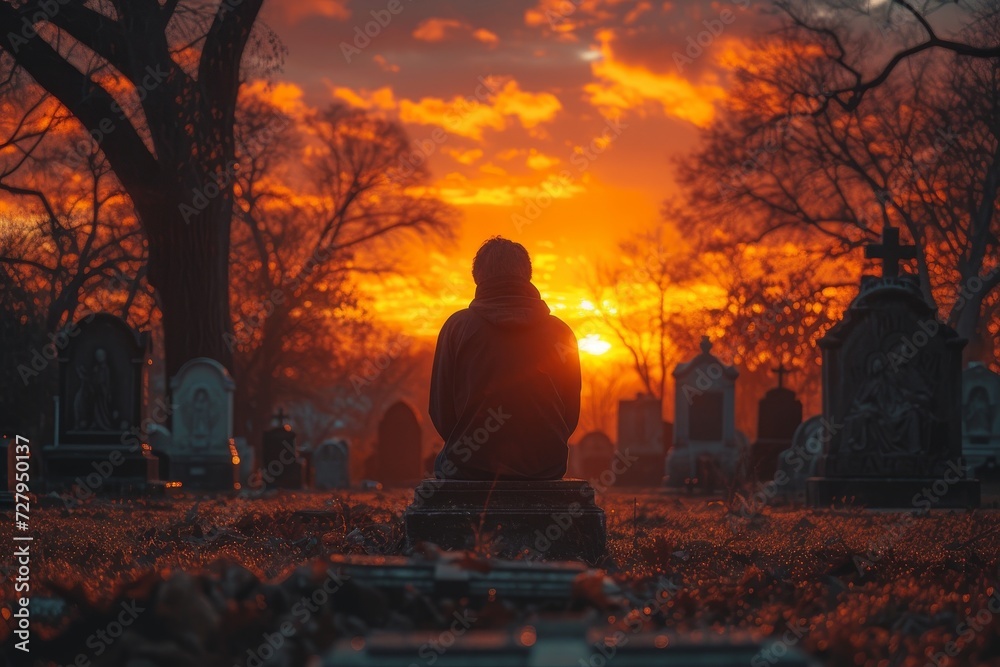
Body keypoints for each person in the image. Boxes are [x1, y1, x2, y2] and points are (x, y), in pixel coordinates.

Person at [430, 236, 581, 480]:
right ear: (527, 276)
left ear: (477, 278)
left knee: (441, 462)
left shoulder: (457, 328)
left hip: (470, 466)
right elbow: (570, 414)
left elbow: (441, 411)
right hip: (545, 467)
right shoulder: (562, 333)